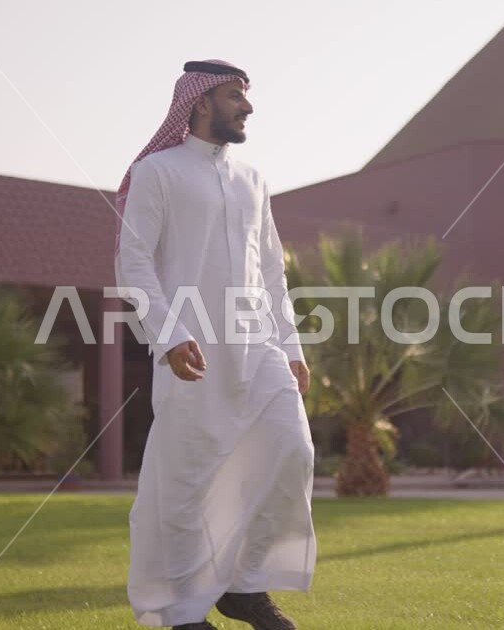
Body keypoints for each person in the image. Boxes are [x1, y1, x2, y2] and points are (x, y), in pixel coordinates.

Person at [114, 59, 316, 630]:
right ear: (200, 102)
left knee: (293, 452)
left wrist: (292, 347)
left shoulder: (253, 179)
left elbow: (272, 271)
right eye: (234, 95)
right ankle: (180, 612)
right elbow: (133, 262)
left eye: (246, 96)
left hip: (260, 348)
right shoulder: (157, 171)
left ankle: (245, 586)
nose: (247, 106)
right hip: (191, 353)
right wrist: (169, 334)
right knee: (187, 480)